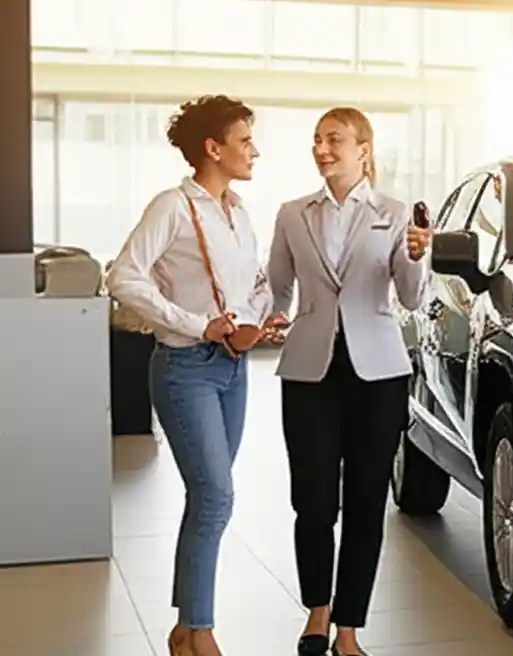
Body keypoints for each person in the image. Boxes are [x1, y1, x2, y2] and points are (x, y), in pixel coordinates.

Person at [106, 95, 287, 656]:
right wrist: (195, 324)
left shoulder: (237, 211)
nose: (255, 150)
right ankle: (201, 633)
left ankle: (185, 627)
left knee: (207, 496)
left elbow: (250, 287)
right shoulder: (172, 206)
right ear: (213, 148)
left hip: (233, 369)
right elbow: (123, 278)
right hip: (185, 369)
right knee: (216, 495)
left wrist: (257, 323)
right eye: (244, 140)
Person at [266, 106, 432, 656]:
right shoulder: (293, 214)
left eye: (334, 139)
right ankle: (317, 612)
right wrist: (261, 319)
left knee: (366, 503)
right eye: (316, 139)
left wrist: (418, 256)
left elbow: (410, 297)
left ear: (364, 148)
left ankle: (348, 631)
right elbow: (278, 292)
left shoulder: (394, 211)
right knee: (312, 502)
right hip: (309, 370)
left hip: (379, 374)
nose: (322, 148)